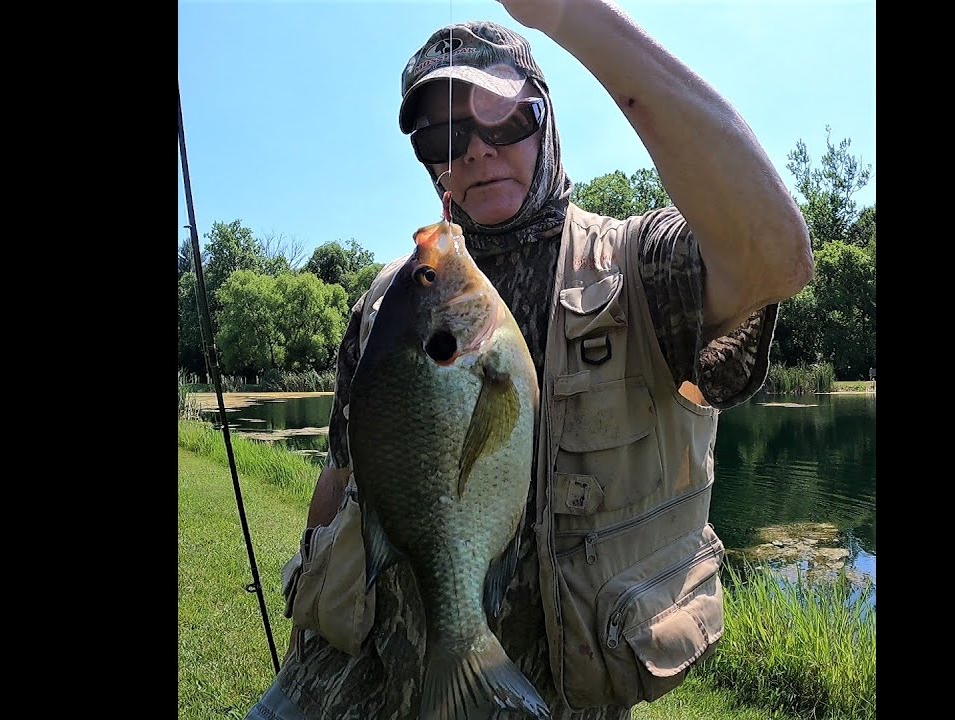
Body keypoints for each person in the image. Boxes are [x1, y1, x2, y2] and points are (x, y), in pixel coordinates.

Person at [246, 2, 811, 718]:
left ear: (547, 121)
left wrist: (574, 16)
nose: (477, 150)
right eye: (444, 135)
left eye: (506, 119)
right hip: (342, 679)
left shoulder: (638, 269)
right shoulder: (389, 304)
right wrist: (307, 601)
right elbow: (342, 471)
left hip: (533, 700)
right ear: (428, 161)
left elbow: (777, 258)